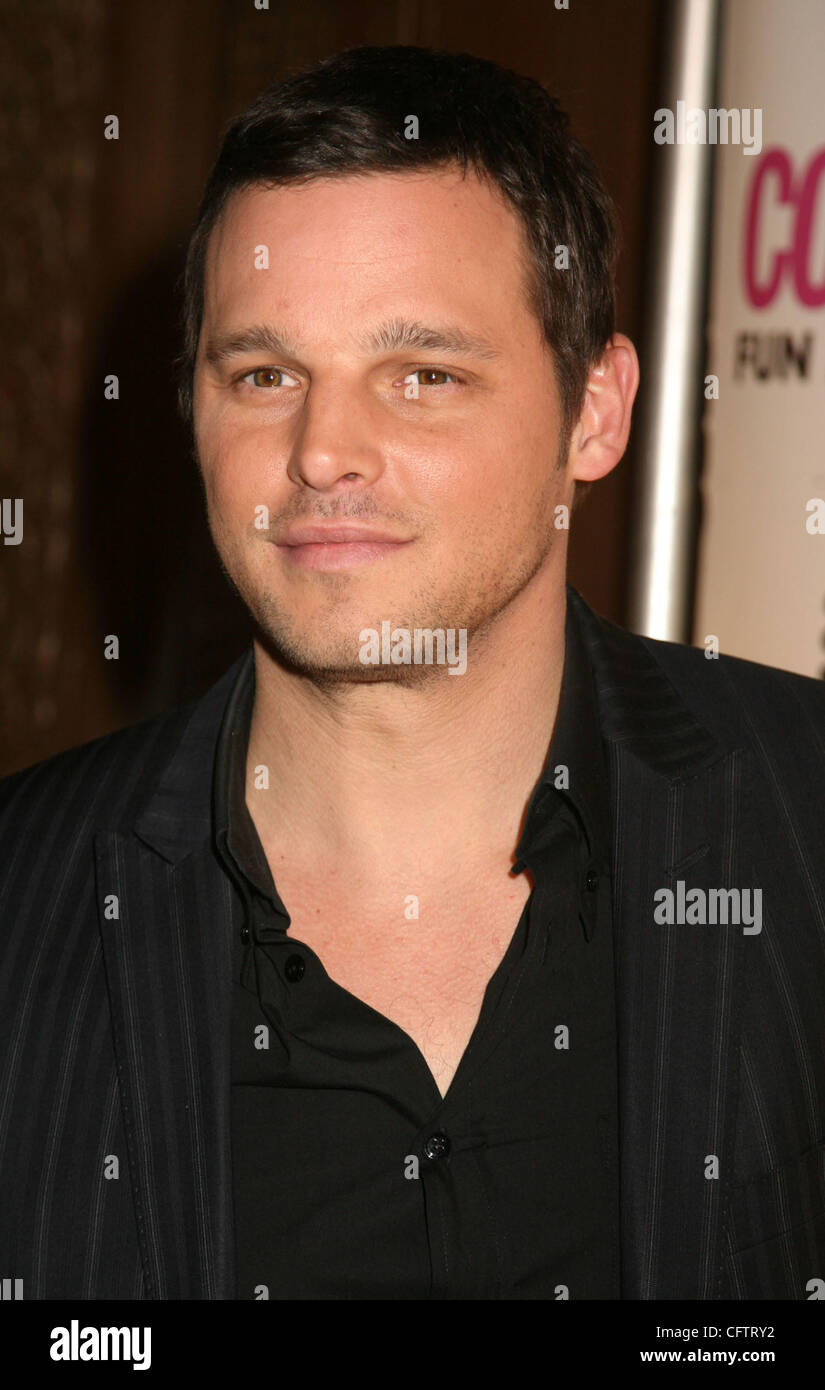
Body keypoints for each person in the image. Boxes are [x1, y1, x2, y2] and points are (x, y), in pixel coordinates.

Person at [1, 44, 823, 1302]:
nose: (324, 450)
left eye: (424, 376)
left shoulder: (802, 817)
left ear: (594, 412)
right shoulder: (23, 906)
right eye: (264, 375)